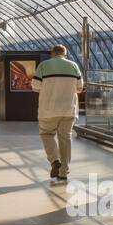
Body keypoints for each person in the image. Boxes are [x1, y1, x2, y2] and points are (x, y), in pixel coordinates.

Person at [31, 45, 83, 182]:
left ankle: (55, 161)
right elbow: (80, 87)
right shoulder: (74, 66)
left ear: (52, 54)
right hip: (69, 109)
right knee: (65, 139)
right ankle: (64, 171)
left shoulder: (44, 65)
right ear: (65, 54)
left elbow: (35, 86)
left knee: (46, 134)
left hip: (48, 109)